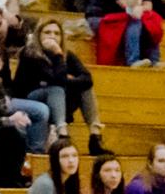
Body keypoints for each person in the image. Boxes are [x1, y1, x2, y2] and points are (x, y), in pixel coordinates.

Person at [17, 18, 104, 155]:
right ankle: (63, 134)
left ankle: (95, 136)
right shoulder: (29, 53)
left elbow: (87, 79)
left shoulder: (67, 55)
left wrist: (67, 79)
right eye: (47, 32)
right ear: (39, 35)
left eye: (57, 33)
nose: (52, 36)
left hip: (58, 101)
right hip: (32, 100)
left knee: (85, 88)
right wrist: (58, 54)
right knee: (56, 88)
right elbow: (58, 80)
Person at [0, 43, 32, 184]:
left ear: (1, 65)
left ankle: (11, 177)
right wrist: (9, 120)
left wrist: (18, 116)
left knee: (15, 132)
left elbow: (4, 110)